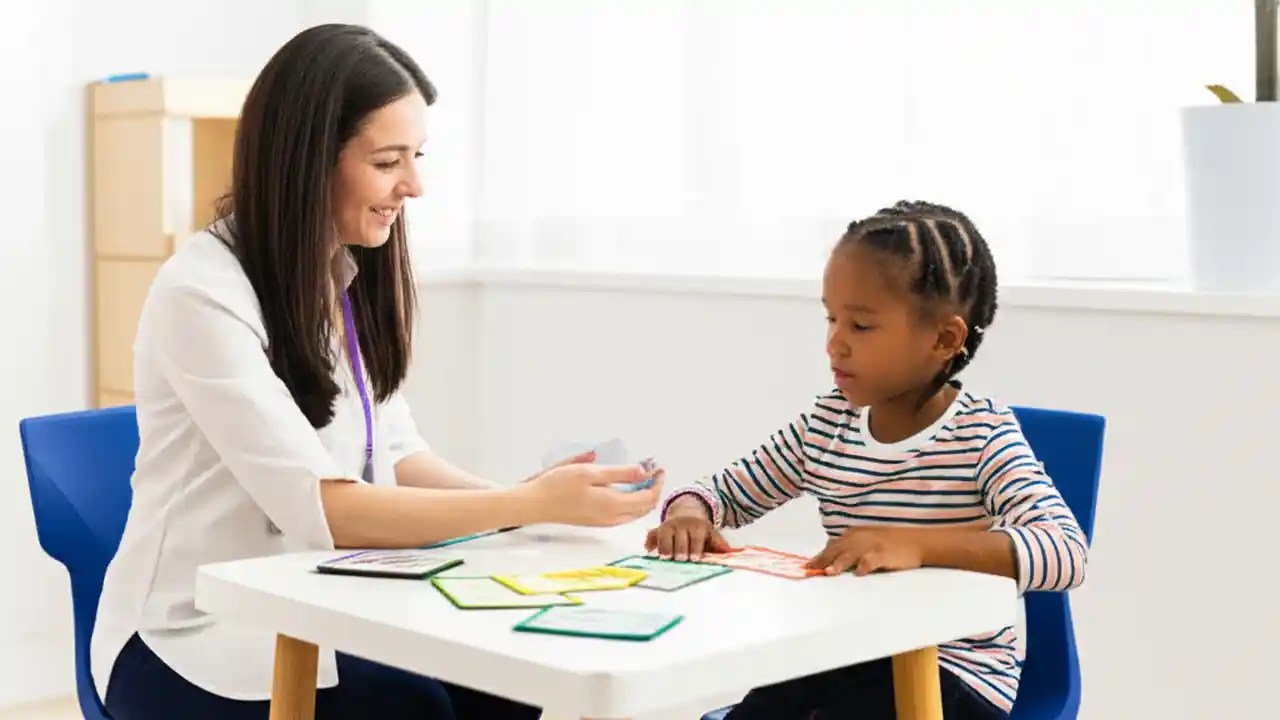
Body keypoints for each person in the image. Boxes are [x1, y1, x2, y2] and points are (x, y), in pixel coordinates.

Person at [91, 24, 663, 720]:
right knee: (414, 708)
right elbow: (329, 508)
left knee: (514, 684)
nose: (415, 185)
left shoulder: (343, 273)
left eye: (416, 156)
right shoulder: (201, 294)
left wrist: (533, 502)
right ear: (308, 161)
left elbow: (396, 457)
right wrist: (528, 505)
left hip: (324, 601)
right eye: (390, 160)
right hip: (192, 638)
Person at [645, 201, 1087, 719]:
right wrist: (690, 514)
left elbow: (1065, 552)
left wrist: (915, 545)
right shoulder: (827, 427)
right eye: (832, 318)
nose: (834, 344)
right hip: (844, 657)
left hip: (955, 678)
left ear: (944, 339)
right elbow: (723, 492)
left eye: (861, 326)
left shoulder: (982, 435)